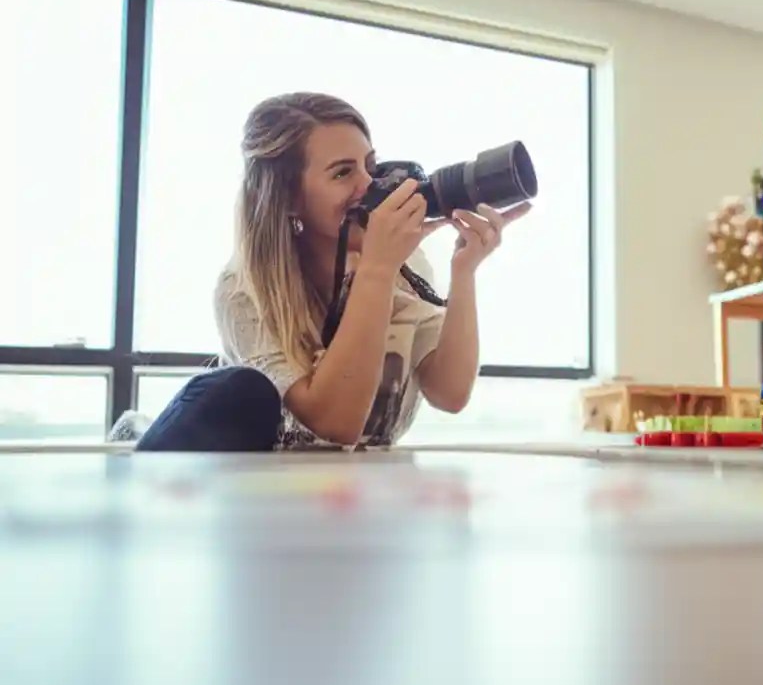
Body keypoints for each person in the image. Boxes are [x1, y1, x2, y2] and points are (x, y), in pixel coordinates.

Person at [136, 92, 529, 451]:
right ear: (288, 199)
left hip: (351, 505)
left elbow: (450, 392)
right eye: (343, 173)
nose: (369, 185)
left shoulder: (403, 266)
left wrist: (465, 272)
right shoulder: (244, 290)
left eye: (370, 166)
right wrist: (376, 271)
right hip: (260, 501)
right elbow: (336, 424)